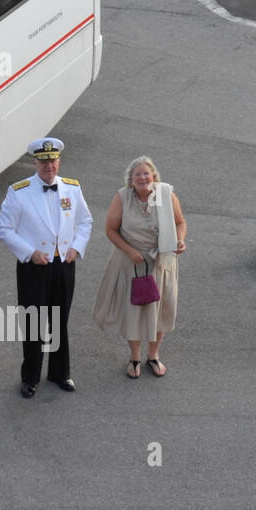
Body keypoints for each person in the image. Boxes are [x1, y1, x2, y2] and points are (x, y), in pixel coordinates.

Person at [0, 136, 92, 397]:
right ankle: (30, 377)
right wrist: (30, 253)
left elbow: (85, 222)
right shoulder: (19, 191)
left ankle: (60, 373)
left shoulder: (72, 188)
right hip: (34, 267)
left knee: (60, 320)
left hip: (64, 264)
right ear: (35, 162)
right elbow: (3, 229)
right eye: (44, 161)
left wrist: (76, 247)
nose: (49, 166)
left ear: (59, 161)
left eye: (53, 160)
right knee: (33, 323)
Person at [92, 156, 186, 378]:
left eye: (146, 173)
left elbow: (180, 222)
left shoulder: (166, 195)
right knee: (134, 311)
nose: (143, 177)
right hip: (131, 263)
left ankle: (153, 356)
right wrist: (130, 251)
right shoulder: (122, 198)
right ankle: (134, 358)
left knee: (160, 311)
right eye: (138, 175)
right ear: (131, 180)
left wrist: (180, 240)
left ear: (153, 175)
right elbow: (111, 230)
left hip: (162, 261)